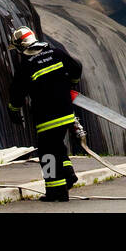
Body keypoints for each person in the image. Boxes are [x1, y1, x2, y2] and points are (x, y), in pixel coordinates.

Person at [7, 26, 83, 202]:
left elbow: (16, 91)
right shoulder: (56, 53)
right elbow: (76, 67)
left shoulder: (27, 65)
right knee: (57, 147)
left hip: (47, 117)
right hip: (66, 113)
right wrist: (72, 83)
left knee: (47, 154)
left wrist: (13, 110)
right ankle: (68, 175)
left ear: (20, 46)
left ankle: (56, 192)